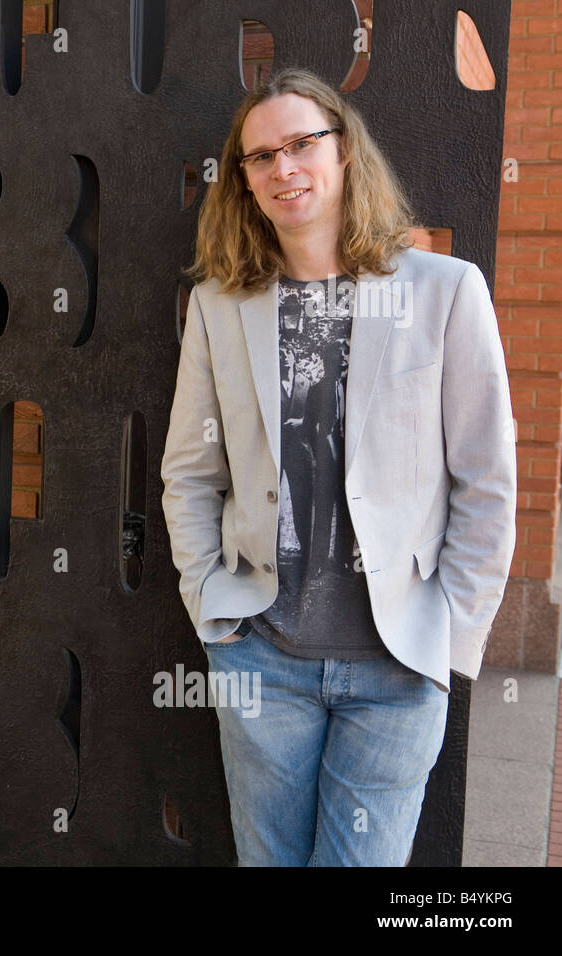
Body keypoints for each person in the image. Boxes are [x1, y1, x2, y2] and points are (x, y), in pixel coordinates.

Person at [160, 68, 516, 865]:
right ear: (245, 181)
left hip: (398, 667)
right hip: (261, 657)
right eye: (260, 157)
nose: (283, 167)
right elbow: (189, 470)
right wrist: (212, 608)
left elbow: (488, 479)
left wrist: (449, 640)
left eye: (300, 144)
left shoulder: (445, 292)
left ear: (343, 151)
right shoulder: (221, 305)